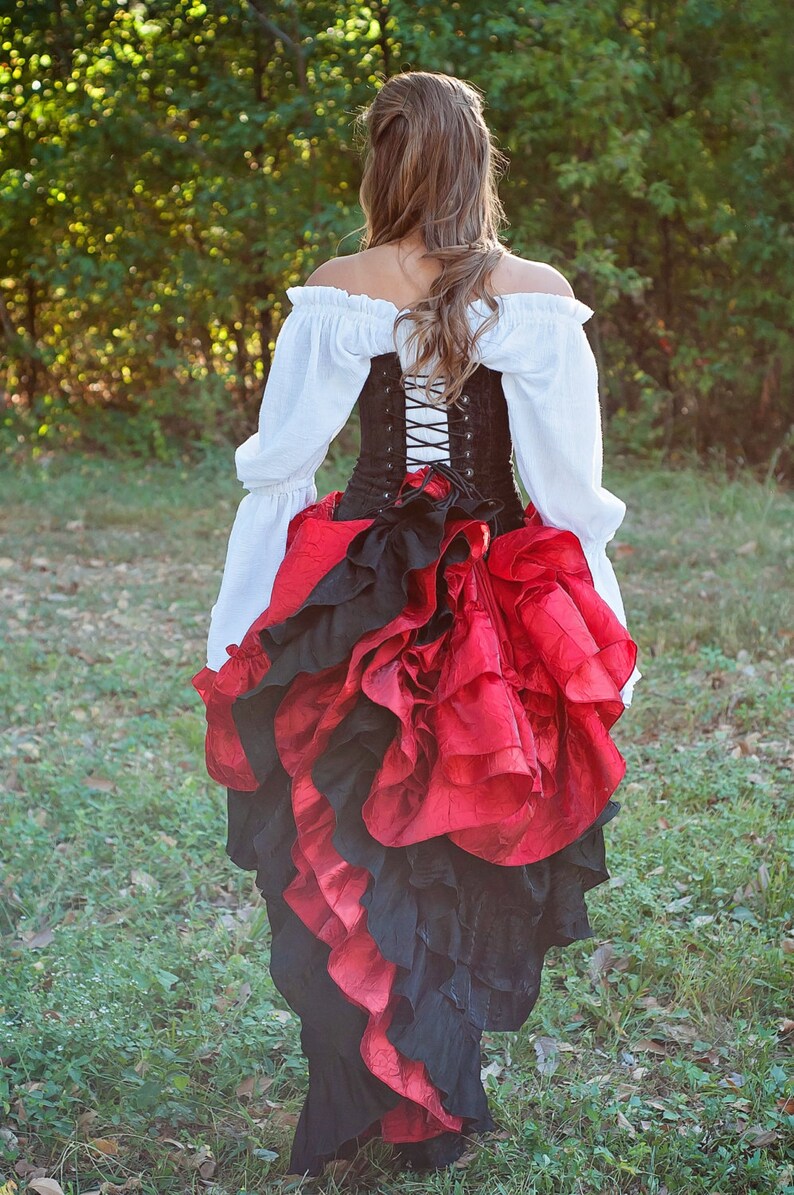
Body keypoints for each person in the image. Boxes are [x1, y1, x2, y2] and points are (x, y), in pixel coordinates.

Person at [192, 69, 640, 1179]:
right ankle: (427, 1087)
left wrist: (243, 614)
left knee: (342, 831)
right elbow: (566, 488)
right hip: (493, 597)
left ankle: (390, 1084)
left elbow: (281, 467)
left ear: (381, 159)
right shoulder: (534, 294)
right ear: (476, 158)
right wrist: (592, 617)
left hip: (359, 590)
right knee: (454, 842)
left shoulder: (340, 287)